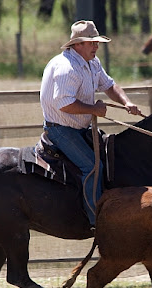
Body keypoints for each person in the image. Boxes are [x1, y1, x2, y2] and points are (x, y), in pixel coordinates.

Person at [40, 20, 142, 228]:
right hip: (60, 129)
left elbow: (109, 85)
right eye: (91, 42)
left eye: (97, 42)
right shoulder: (67, 67)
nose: (96, 46)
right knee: (92, 166)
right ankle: (96, 220)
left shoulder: (92, 62)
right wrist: (93, 110)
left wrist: (126, 102)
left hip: (78, 127)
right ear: (77, 44)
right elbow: (64, 103)